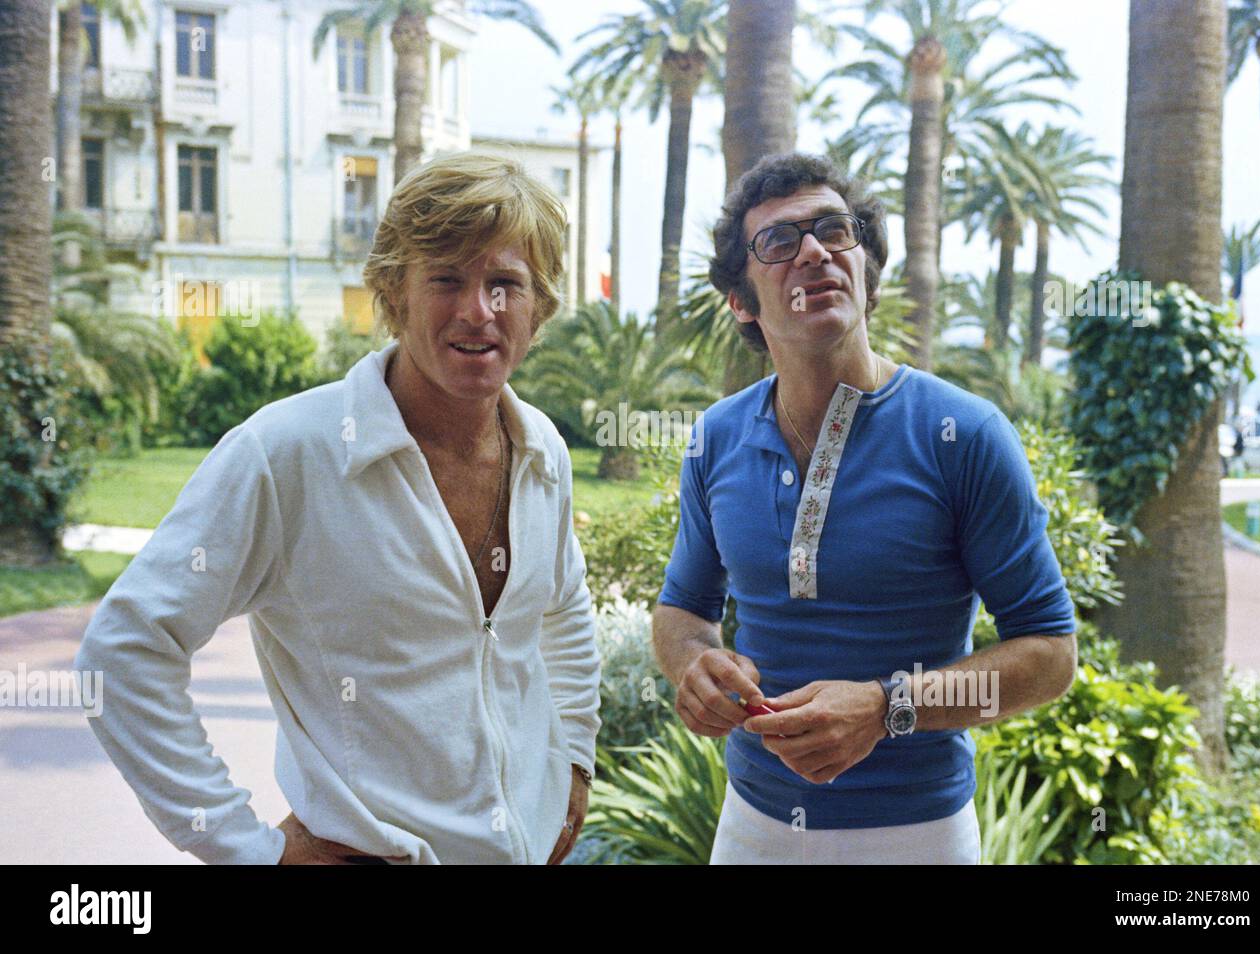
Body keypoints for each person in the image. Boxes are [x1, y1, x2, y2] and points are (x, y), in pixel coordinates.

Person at [73, 152, 601, 864]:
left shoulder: (542, 451)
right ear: (394, 294)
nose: (480, 310)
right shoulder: (288, 452)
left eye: (505, 283)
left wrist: (574, 762)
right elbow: (122, 653)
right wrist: (247, 848)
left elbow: (563, 608)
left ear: (539, 308)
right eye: (446, 279)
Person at [652, 153, 1077, 864]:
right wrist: (693, 665)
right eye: (779, 241)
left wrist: (888, 707)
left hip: (918, 835)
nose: (814, 252)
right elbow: (683, 609)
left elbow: (1051, 655)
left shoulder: (964, 435)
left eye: (833, 230)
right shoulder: (716, 438)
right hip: (751, 828)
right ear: (741, 303)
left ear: (866, 271)